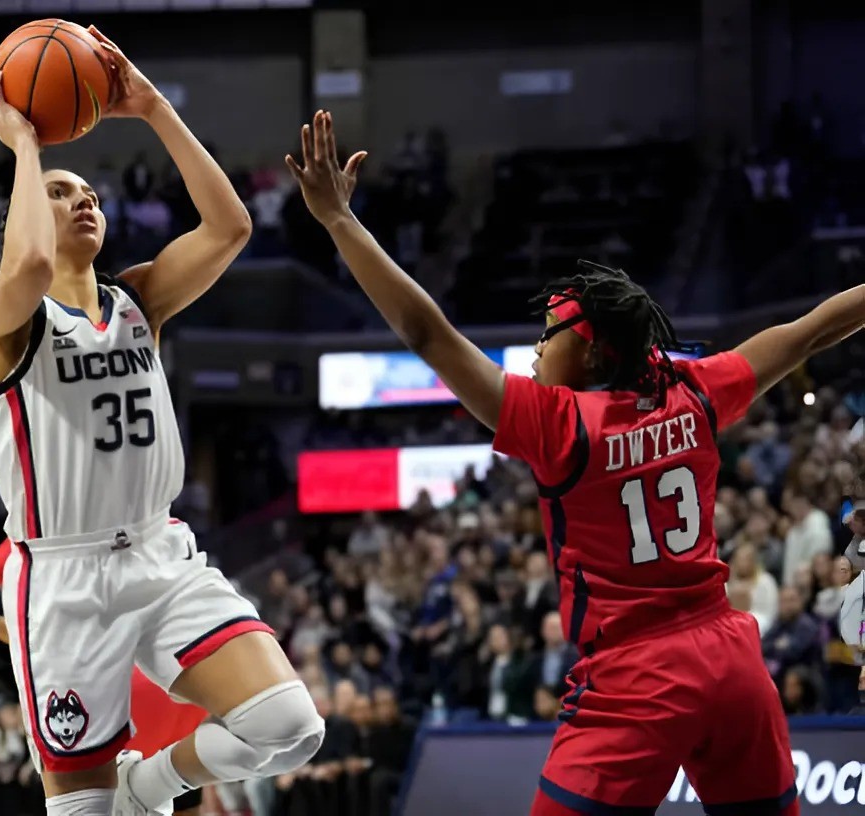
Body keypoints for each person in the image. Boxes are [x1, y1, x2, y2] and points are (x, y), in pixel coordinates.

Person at [284, 109, 865, 815]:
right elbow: (812, 331)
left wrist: (340, 222)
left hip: (634, 674)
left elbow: (425, 332)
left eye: (549, 329)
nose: (536, 346)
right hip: (731, 660)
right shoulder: (696, 389)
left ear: (589, 351)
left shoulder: (561, 424)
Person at [0, 27, 321, 816]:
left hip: (161, 552)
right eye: (61, 193)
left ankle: (148, 783)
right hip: (63, 578)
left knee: (290, 726)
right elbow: (25, 266)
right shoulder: (1, 316)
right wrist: (25, 146)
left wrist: (153, 106)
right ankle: (114, 794)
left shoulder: (138, 300)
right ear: (24, 213)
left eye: (88, 192)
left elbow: (230, 227)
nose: (82, 198)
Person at [0, 538, 208, 816]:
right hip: (124, 752)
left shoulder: (142, 574)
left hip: (160, 744)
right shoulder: (80, 585)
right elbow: (34, 637)